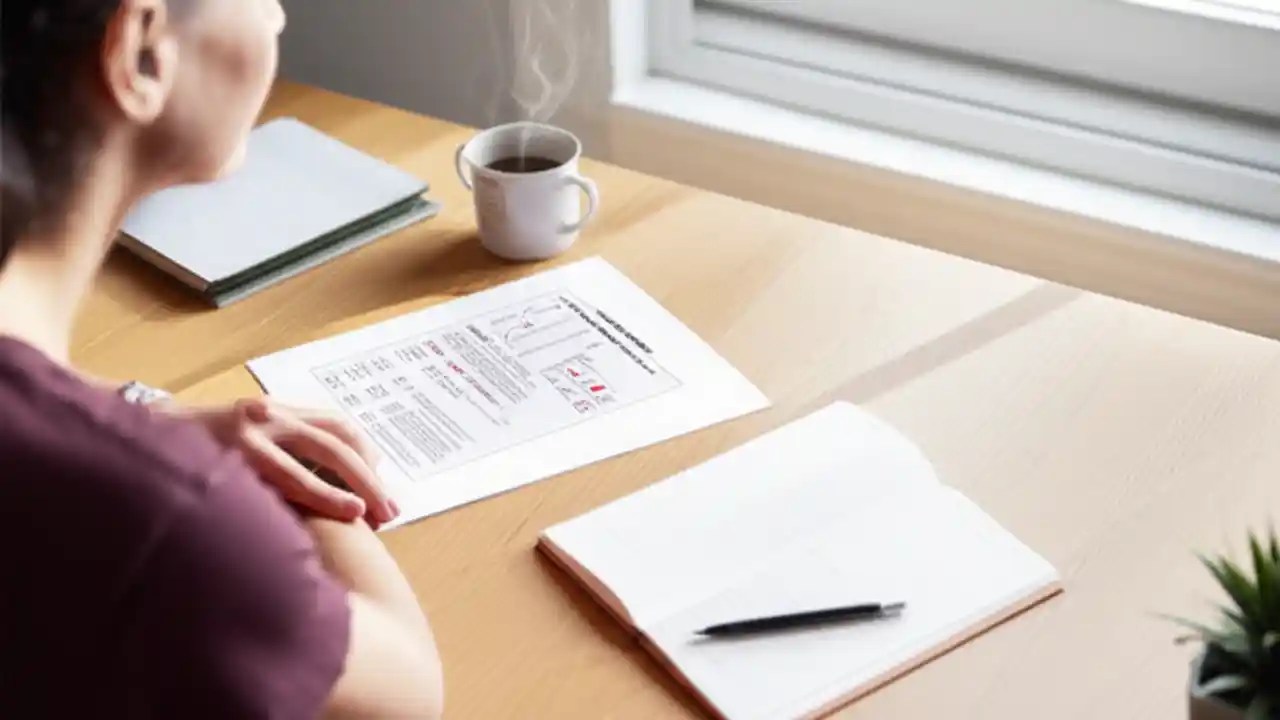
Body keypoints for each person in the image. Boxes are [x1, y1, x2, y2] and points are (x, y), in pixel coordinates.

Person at [0, 1, 445, 718]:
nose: (276, 18)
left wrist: (144, 415)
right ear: (142, 50)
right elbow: (407, 692)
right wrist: (310, 486)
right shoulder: (174, 527)